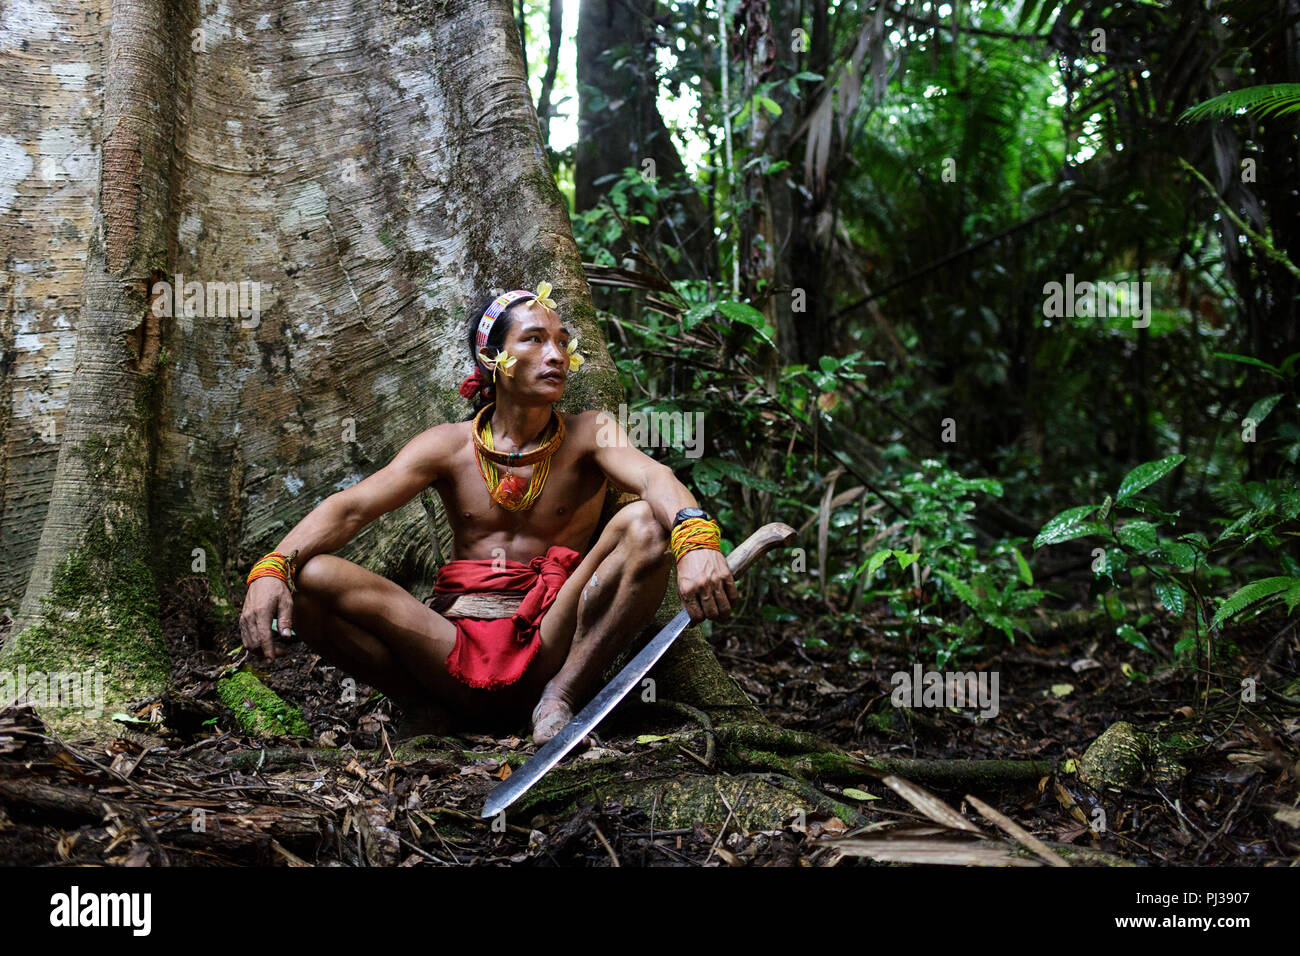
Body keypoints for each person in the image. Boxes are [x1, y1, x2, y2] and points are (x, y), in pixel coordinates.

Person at [238, 282, 738, 743]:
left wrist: (695, 540)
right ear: (492, 358)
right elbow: (350, 509)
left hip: (550, 633)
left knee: (648, 523)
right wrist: (271, 568)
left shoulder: (591, 432)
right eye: (535, 340)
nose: (556, 355)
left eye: (563, 342)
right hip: (450, 646)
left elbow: (653, 477)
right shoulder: (446, 446)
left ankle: (559, 699)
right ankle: (425, 709)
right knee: (308, 573)